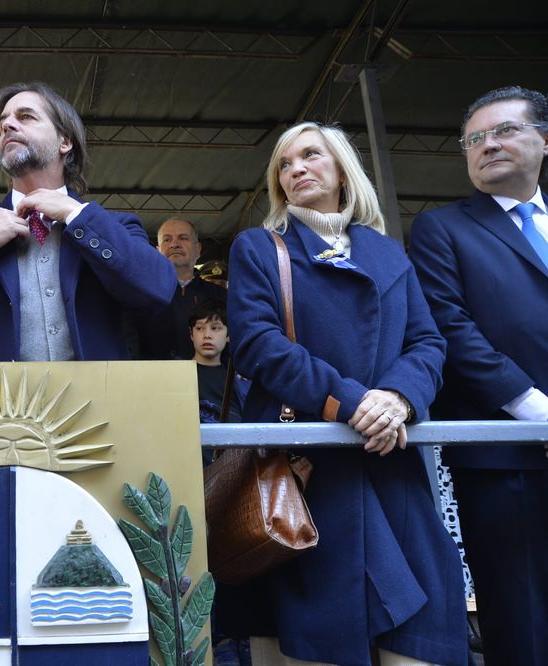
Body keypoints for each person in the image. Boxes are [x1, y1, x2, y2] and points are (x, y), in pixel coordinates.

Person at [219, 121, 468, 665]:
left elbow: (427, 342)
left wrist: (398, 398)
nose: (296, 169)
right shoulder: (259, 247)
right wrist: (352, 403)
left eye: (311, 155)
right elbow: (259, 344)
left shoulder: (389, 253)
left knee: (423, 622)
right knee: (315, 633)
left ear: (342, 170)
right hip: (304, 471)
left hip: (387, 460)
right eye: (285, 164)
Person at [408, 85, 548, 665]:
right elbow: (451, 328)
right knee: (523, 618)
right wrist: (536, 411)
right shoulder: (441, 228)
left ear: (544, 140)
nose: (488, 145)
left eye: (505, 130)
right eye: (474, 139)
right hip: (505, 454)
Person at [0, 82, 176, 361]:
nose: (7, 125)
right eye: (3, 123)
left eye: (26, 116)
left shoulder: (116, 227)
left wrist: (77, 216)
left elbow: (159, 290)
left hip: (99, 393)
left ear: (65, 142)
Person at [138, 218, 227, 360]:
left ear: (198, 249)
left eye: (183, 238)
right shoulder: (140, 293)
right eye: (167, 240)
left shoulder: (221, 297)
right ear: (158, 251)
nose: (174, 244)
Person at [190, 301, 241, 433]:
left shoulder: (238, 379)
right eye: (200, 328)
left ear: (229, 335)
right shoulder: (178, 373)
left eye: (215, 328)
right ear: (191, 334)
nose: (207, 335)